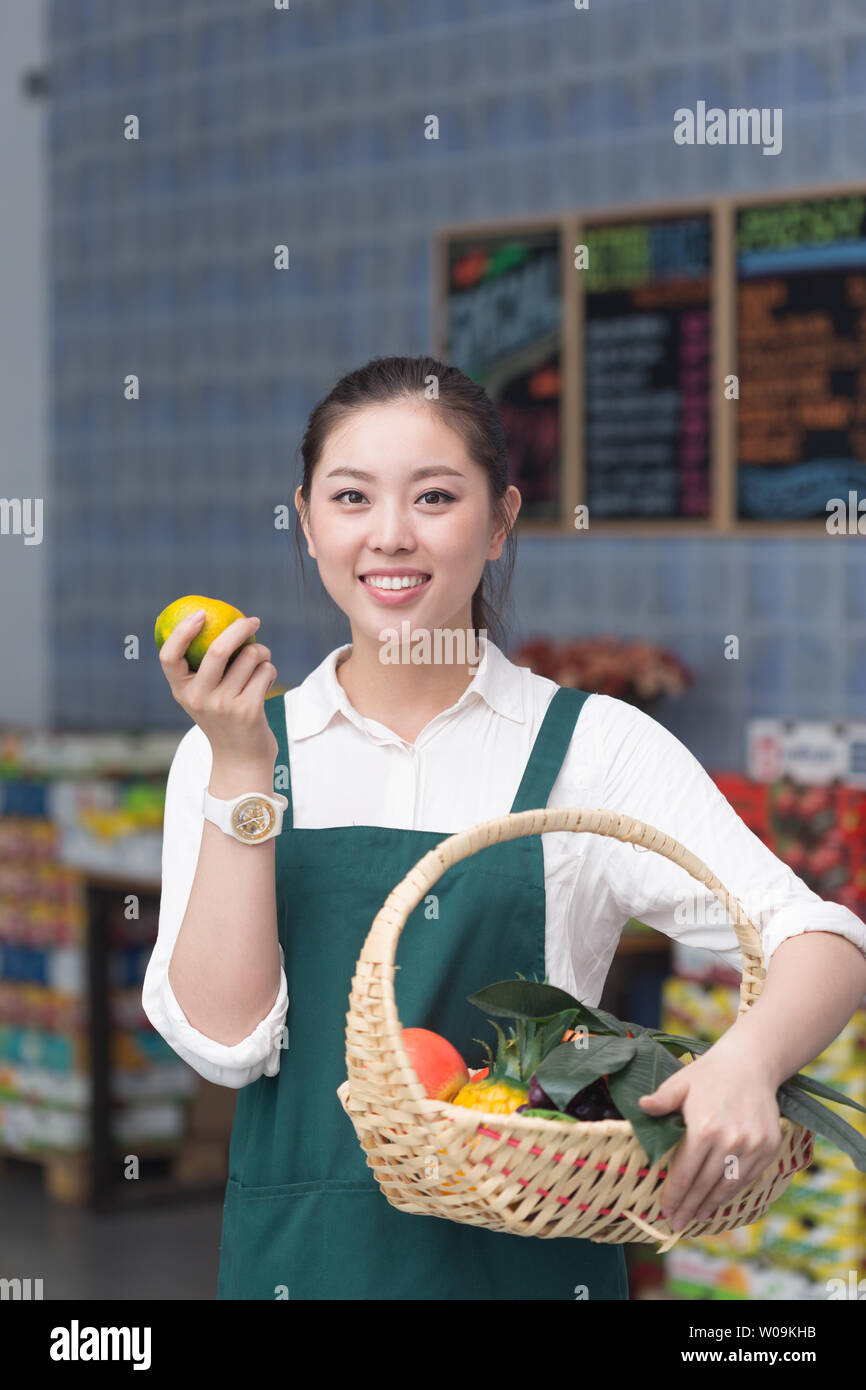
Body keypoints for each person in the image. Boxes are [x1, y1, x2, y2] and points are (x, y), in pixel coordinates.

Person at [144, 354, 866, 1301]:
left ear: (501, 522)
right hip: (303, 1263)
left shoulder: (593, 747)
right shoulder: (231, 747)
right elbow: (227, 1042)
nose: (391, 537)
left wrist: (747, 1060)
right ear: (308, 522)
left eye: (436, 497)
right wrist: (242, 770)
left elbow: (825, 937)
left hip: (529, 1273)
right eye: (352, 498)